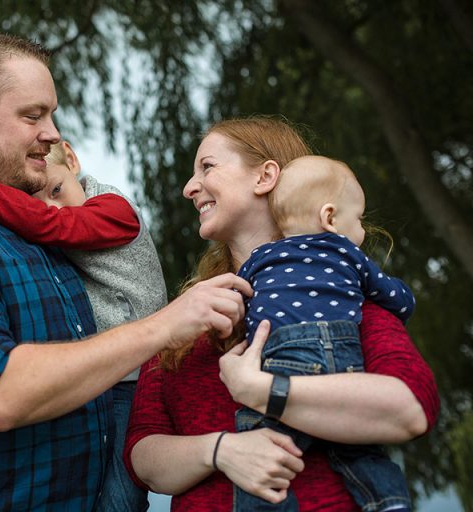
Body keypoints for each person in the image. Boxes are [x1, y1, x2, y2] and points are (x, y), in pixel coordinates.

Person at [0, 31, 250, 511]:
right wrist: (165, 325)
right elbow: (0, 393)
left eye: (51, 114)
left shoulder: (40, 224)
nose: (52, 132)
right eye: (33, 115)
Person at [122, 117, 439, 512]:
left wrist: (265, 392)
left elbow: (410, 410)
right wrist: (221, 450)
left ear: (265, 176)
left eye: (208, 166)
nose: (189, 187)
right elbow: (142, 454)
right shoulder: (183, 322)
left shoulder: (339, 296)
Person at [0, 139, 168, 511]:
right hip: (105, 378)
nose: (52, 205)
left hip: (134, 380)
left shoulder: (115, 209)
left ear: (72, 159)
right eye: (38, 200)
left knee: (120, 498)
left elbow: (49, 224)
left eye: (57, 190)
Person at [234, 155, 415, 511]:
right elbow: (393, 296)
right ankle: (388, 502)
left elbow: (239, 300)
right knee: (358, 446)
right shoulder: (346, 250)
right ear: (330, 217)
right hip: (341, 355)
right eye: (359, 219)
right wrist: (405, 298)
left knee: (266, 452)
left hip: (282, 357)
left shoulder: (260, 256)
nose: (362, 231)